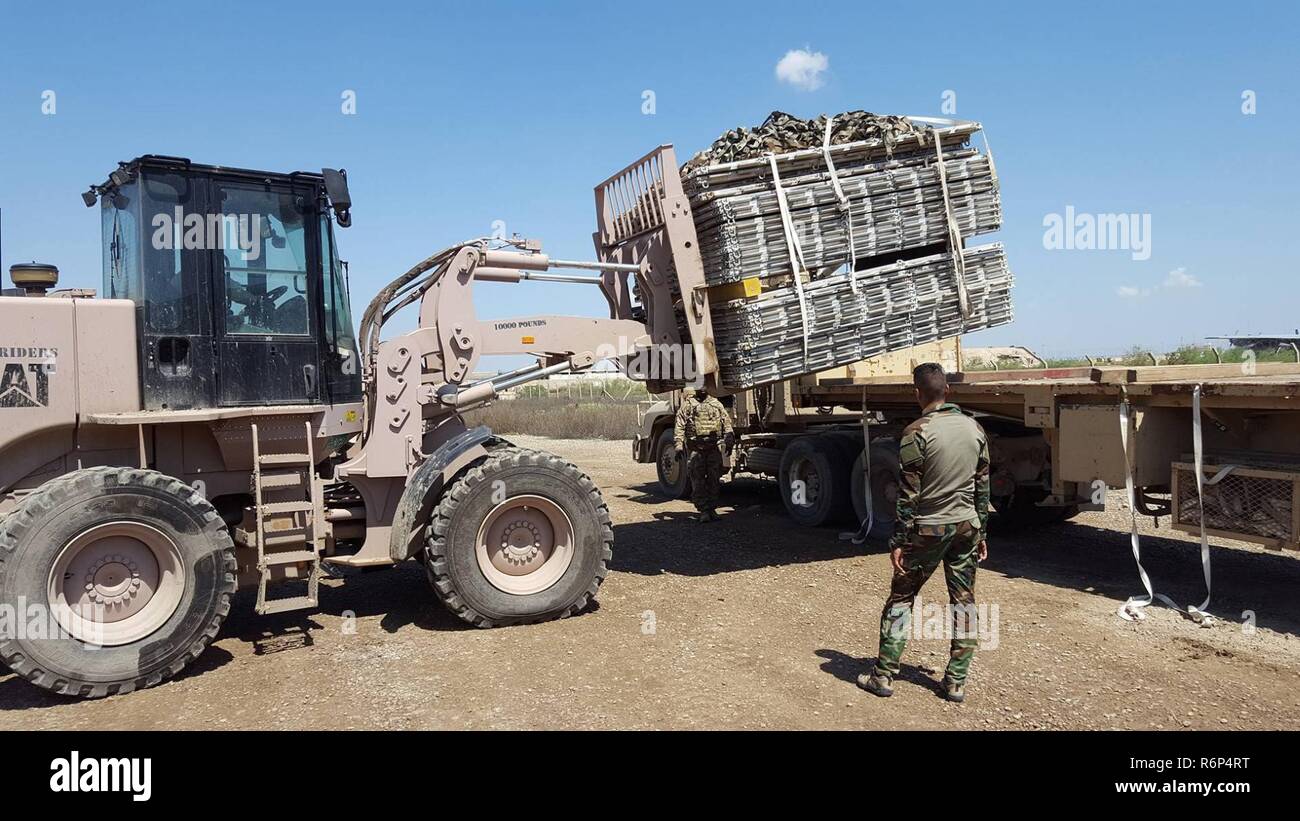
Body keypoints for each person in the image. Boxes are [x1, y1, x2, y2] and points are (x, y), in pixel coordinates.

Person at [858, 362, 990, 703]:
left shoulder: (916, 432)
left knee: (902, 598)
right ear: (947, 390)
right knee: (964, 603)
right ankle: (956, 682)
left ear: (918, 394)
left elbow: (908, 494)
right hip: (966, 528)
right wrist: (982, 532)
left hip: (928, 530)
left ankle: (883, 675)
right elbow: (982, 486)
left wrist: (899, 540)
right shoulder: (975, 429)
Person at [672, 386, 734, 523]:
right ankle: (704, 510)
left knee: (714, 480)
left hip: (713, 449)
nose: (703, 389)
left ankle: (712, 508)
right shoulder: (688, 406)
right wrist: (678, 445)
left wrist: (729, 442)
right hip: (696, 450)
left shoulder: (716, 404)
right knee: (697, 481)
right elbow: (680, 426)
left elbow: (727, 424)